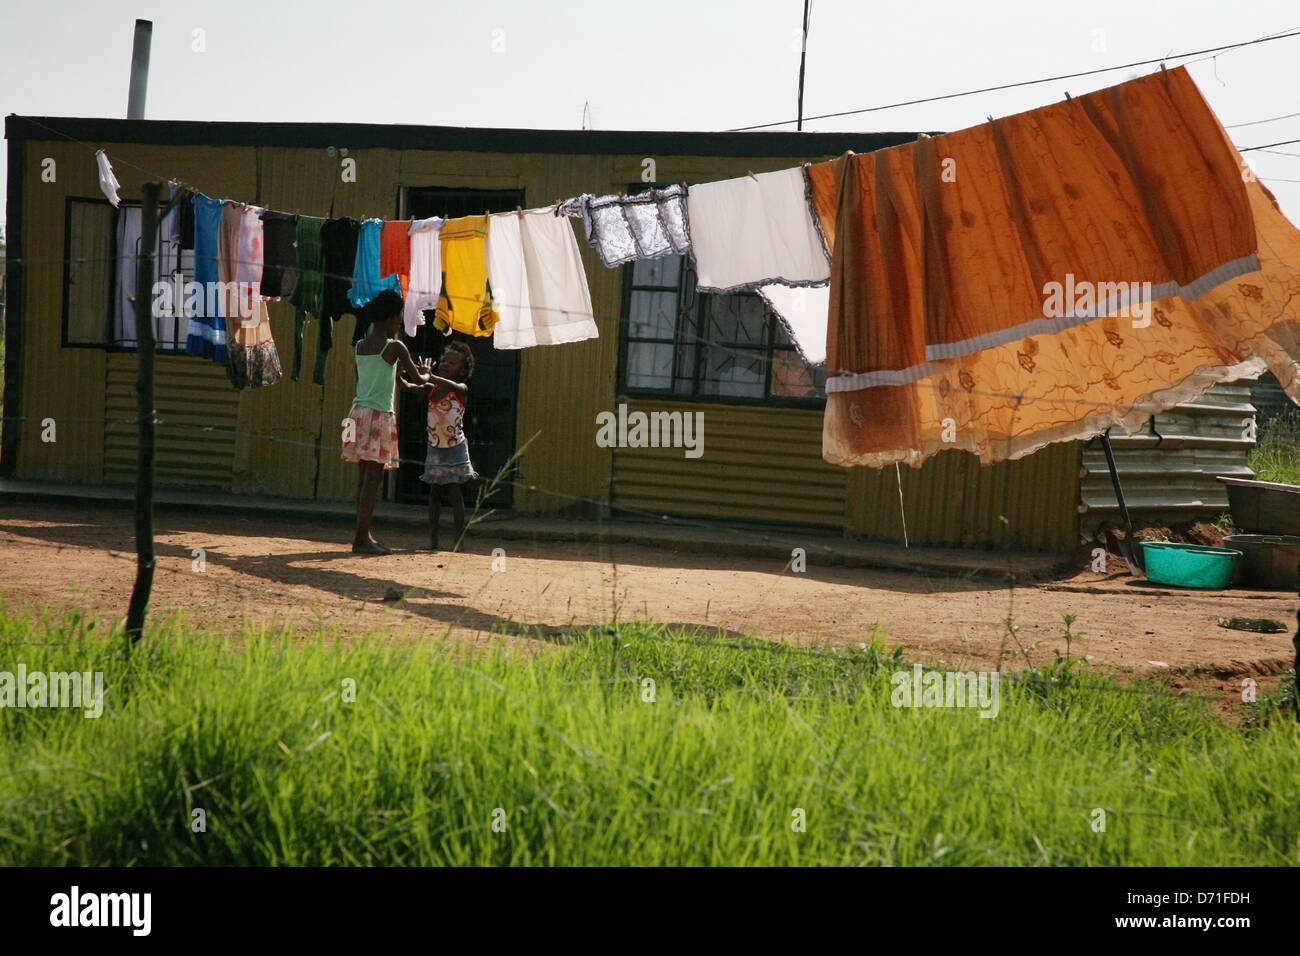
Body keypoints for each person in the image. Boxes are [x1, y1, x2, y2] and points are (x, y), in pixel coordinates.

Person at [341, 289, 431, 554]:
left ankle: (362, 533)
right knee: (373, 480)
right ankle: (361, 539)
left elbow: (369, 381)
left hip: (357, 413)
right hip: (379, 416)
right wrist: (425, 373)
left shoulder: (360, 345)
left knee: (362, 478)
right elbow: (417, 381)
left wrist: (398, 374)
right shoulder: (395, 346)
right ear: (393, 318)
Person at [400, 340, 477, 550]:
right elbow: (406, 386)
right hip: (435, 447)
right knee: (434, 494)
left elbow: (451, 385)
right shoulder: (430, 388)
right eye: (444, 359)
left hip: (456, 448)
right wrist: (398, 371)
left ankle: (458, 541)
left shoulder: (461, 388)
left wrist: (429, 375)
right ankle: (433, 539)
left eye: (452, 363)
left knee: (455, 493)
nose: (445, 363)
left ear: (462, 371)